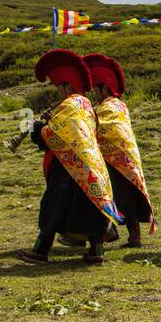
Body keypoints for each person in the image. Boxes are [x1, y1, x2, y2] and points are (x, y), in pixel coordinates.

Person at [18, 50, 121, 265]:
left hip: (67, 165)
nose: (58, 93)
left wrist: (38, 128)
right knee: (89, 205)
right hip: (90, 163)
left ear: (66, 86)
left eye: (59, 87)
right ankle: (96, 251)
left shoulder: (70, 104)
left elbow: (54, 132)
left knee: (53, 204)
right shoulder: (85, 105)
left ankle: (40, 250)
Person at [84, 53, 154, 248]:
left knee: (119, 196)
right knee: (123, 196)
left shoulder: (110, 107)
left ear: (104, 88)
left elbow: (104, 127)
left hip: (116, 159)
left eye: (96, 90)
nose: (94, 95)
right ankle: (124, 235)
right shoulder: (118, 105)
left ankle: (117, 235)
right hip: (122, 156)